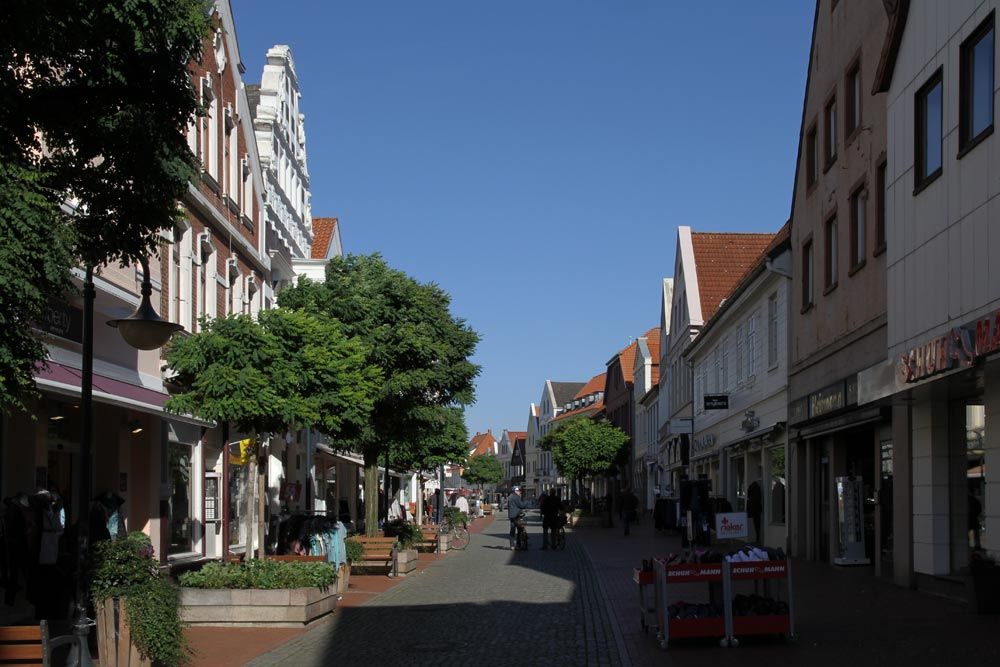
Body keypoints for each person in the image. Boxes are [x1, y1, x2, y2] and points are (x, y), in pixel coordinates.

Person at [508, 486, 529, 550]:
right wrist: (526, 502)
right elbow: (521, 505)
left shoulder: (510, 497)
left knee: (512, 530)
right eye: (519, 491)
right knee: (519, 530)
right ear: (515, 491)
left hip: (511, 516)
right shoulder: (516, 497)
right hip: (517, 516)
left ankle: (512, 545)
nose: (520, 492)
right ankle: (518, 545)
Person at [746, 478, 763, 543]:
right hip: (756, 509)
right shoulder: (756, 488)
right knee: (757, 524)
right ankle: (757, 538)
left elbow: (749, 500)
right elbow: (756, 500)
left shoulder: (751, 488)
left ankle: (757, 538)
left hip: (753, 509)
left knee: (756, 524)